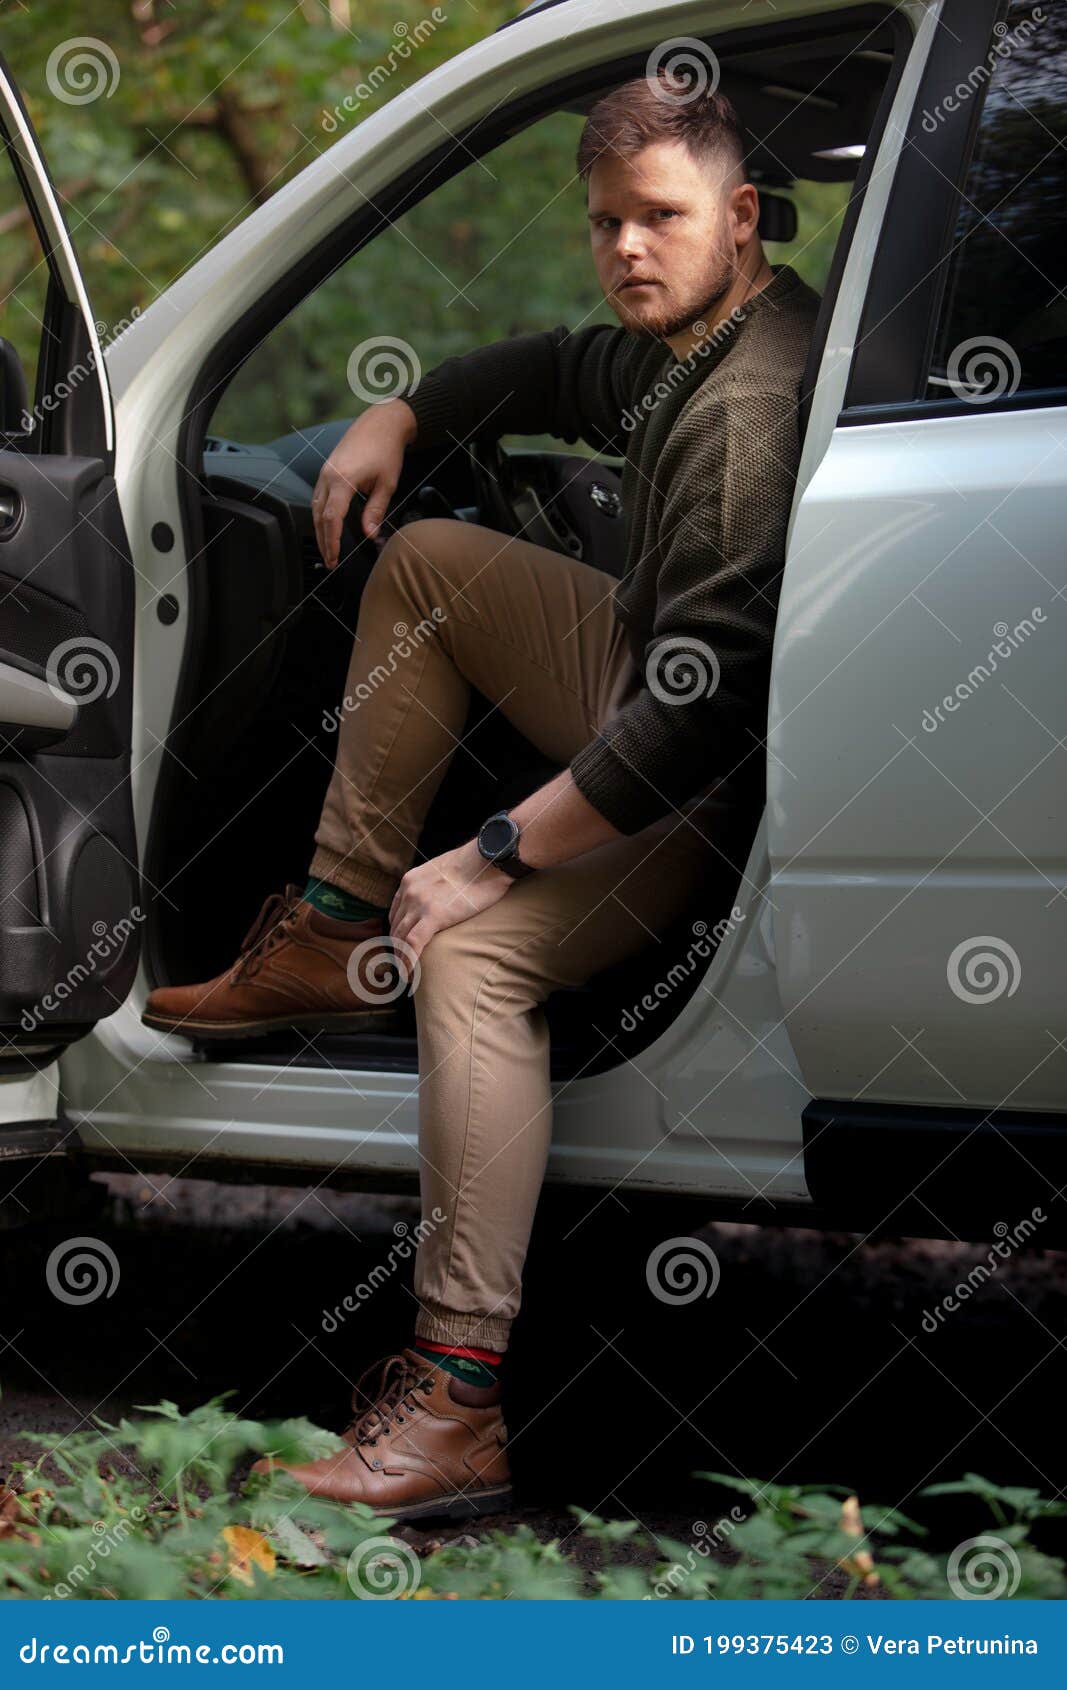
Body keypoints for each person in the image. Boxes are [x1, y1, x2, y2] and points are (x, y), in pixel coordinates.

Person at [143, 73, 821, 1521]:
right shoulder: (703, 326)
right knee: (433, 562)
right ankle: (328, 928)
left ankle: (454, 1400)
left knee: (467, 956)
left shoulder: (745, 416)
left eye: (664, 218)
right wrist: (397, 405)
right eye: (608, 223)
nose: (630, 248)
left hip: (702, 768)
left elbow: (692, 720)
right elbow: (558, 369)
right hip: (657, 677)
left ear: (743, 215)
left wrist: (492, 852)